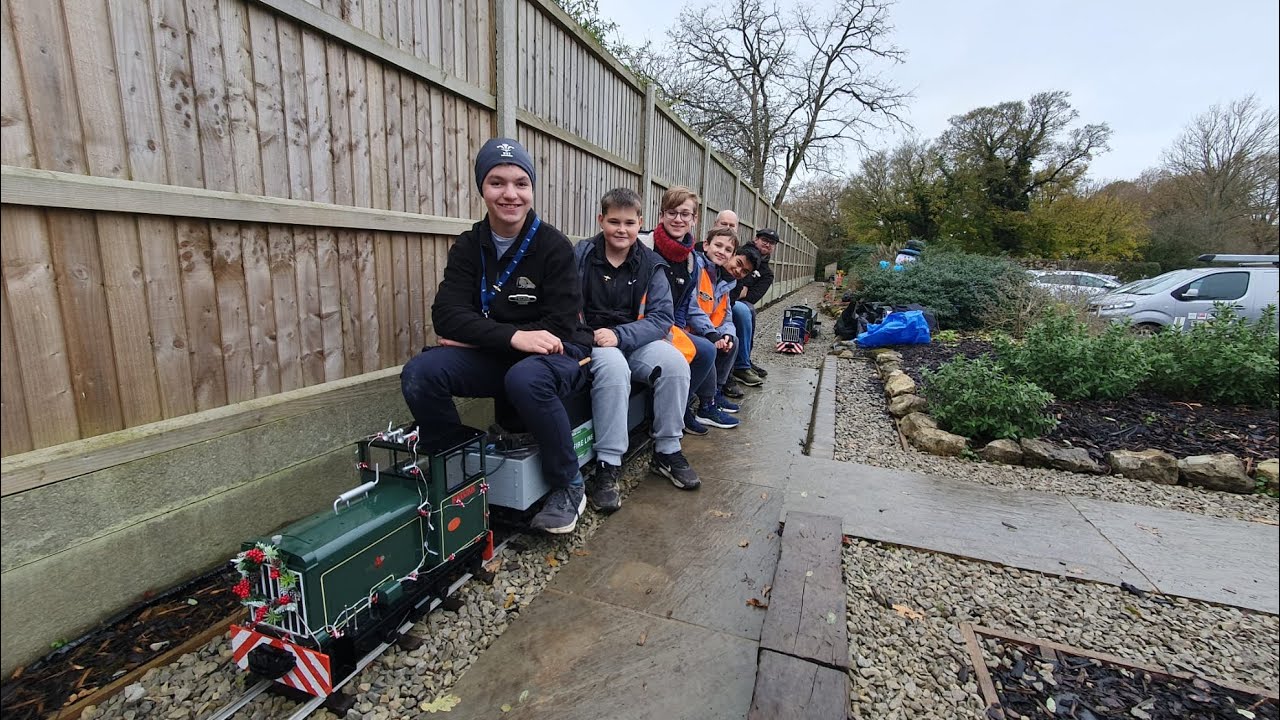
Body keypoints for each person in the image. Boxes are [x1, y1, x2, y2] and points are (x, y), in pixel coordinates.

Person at [400, 137, 594, 535]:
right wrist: (512, 338)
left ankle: (569, 485)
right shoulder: (470, 247)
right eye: (497, 182)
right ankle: (459, 466)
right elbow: (446, 316)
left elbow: (557, 328)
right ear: (482, 189)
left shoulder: (554, 247)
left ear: (532, 189)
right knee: (421, 372)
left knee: (524, 377)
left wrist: (484, 336)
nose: (510, 194)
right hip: (502, 351)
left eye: (521, 183)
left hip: (558, 353)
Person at [574, 187, 700, 501]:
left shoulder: (651, 264)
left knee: (673, 362)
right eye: (614, 221)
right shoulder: (581, 255)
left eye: (629, 223)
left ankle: (667, 450)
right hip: (593, 341)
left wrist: (622, 335)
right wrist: (588, 335)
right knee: (614, 367)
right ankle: (608, 463)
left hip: (634, 339)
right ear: (601, 220)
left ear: (639, 222)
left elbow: (661, 318)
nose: (622, 229)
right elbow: (562, 303)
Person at [640, 187, 736, 434]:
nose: (678, 219)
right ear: (661, 215)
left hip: (670, 326)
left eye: (685, 214)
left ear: (694, 219)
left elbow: (684, 306)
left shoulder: (691, 261)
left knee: (705, 349)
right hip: (640, 323)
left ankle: (682, 407)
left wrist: (688, 331)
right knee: (703, 347)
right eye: (672, 212)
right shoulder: (643, 246)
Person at [688, 227, 756, 428]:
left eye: (727, 249)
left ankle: (713, 396)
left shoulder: (726, 281)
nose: (722, 251)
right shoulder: (697, 267)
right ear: (706, 244)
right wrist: (712, 334)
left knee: (731, 341)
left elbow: (726, 317)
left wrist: (725, 335)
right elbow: (691, 307)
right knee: (709, 346)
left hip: (707, 329)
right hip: (690, 327)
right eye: (718, 246)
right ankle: (704, 405)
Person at [728, 228, 778, 390]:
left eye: (771, 243)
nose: (767, 244)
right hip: (722, 291)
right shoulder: (739, 251)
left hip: (738, 300)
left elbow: (751, 296)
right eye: (764, 240)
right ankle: (743, 364)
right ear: (756, 239)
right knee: (745, 311)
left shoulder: (767, 273)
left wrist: (740, 289)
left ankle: (744, 362)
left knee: (747, 309)